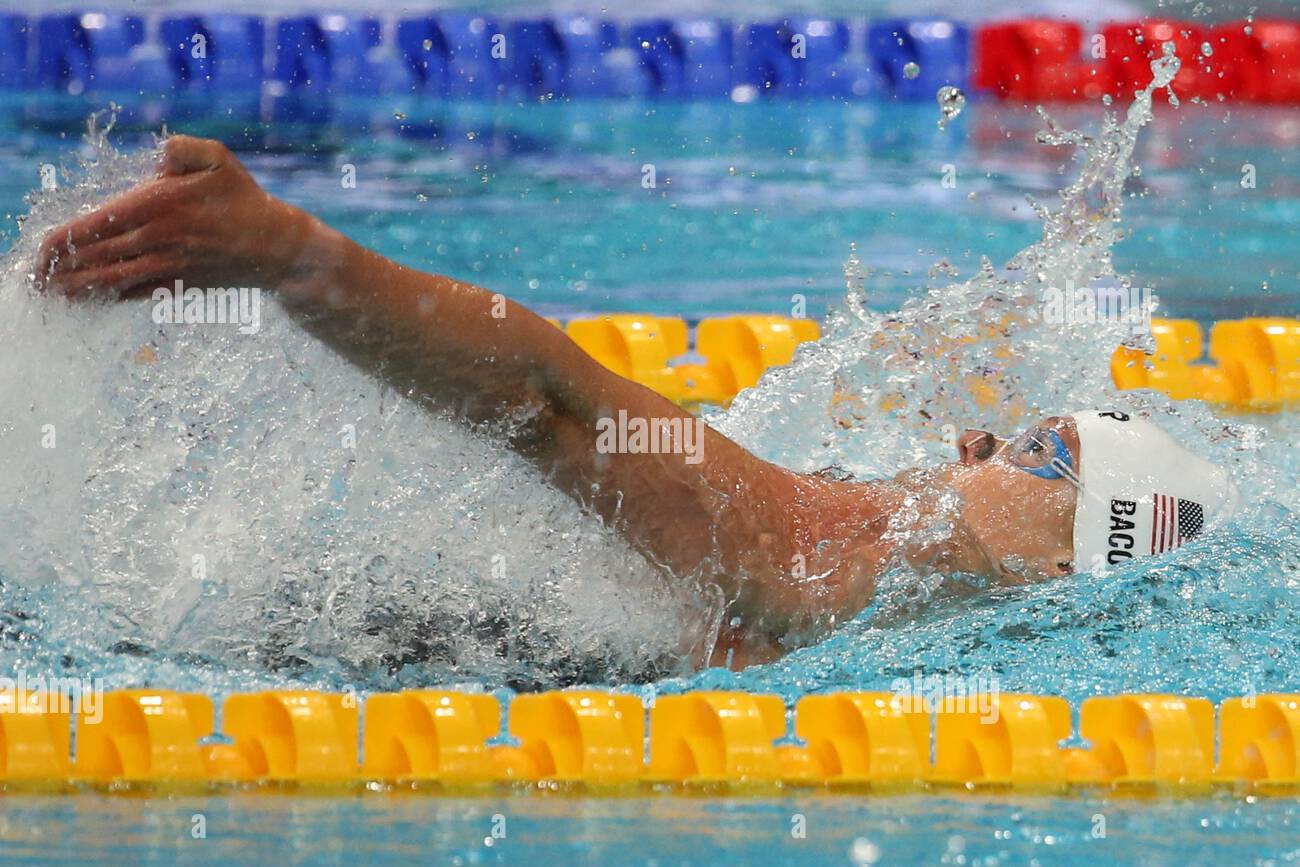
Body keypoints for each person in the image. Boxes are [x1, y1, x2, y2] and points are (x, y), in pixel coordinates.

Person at [33, 136, 1240, 670]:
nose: (978, 435)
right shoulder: (891, 602)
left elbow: (550, 394)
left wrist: (290, 253)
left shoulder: (829, 556)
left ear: (1068, 557)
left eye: (1037, 450)